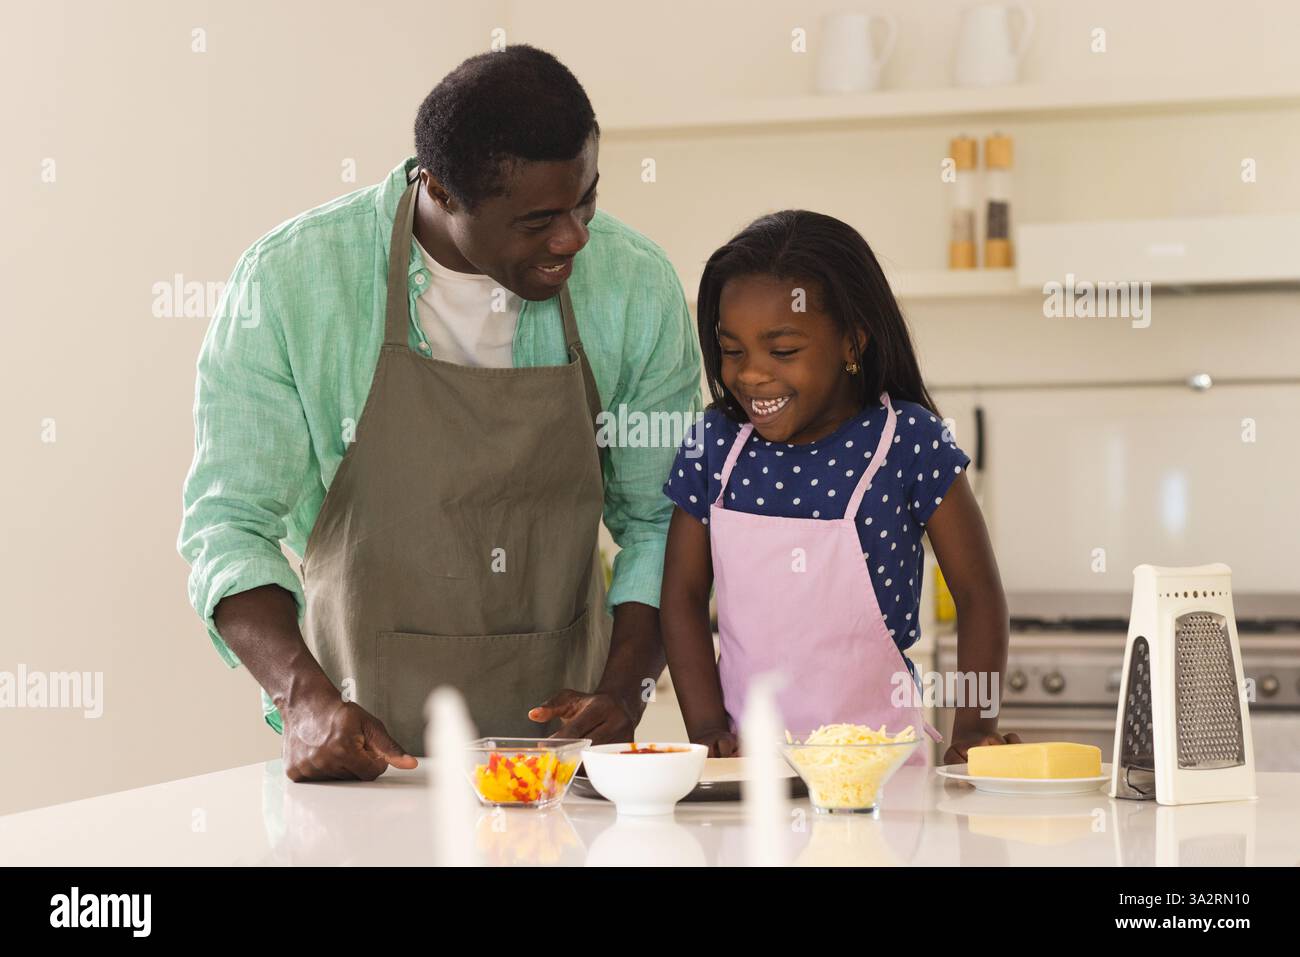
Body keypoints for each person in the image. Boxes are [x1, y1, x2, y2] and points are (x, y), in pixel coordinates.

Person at [179, 46, 701, 781]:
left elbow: (659, 521)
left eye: (585, 200)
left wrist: (623, 690)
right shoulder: (293, 281)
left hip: (564, 771)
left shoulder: (636, 285)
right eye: (539, 220)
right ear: (441, 192)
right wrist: (304, 702)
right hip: (360, 758)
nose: (575, 238)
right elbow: (228, 526)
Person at [659, 210, 1020, 763]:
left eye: (782, 351)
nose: (751, 374)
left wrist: (972, 729)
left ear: (852, 343)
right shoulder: (715, 442)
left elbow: (978, 596)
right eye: (733, 351)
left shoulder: (908, 441)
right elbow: (682, 596)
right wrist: (707, 725)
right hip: (751, 775)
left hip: (881, 769)